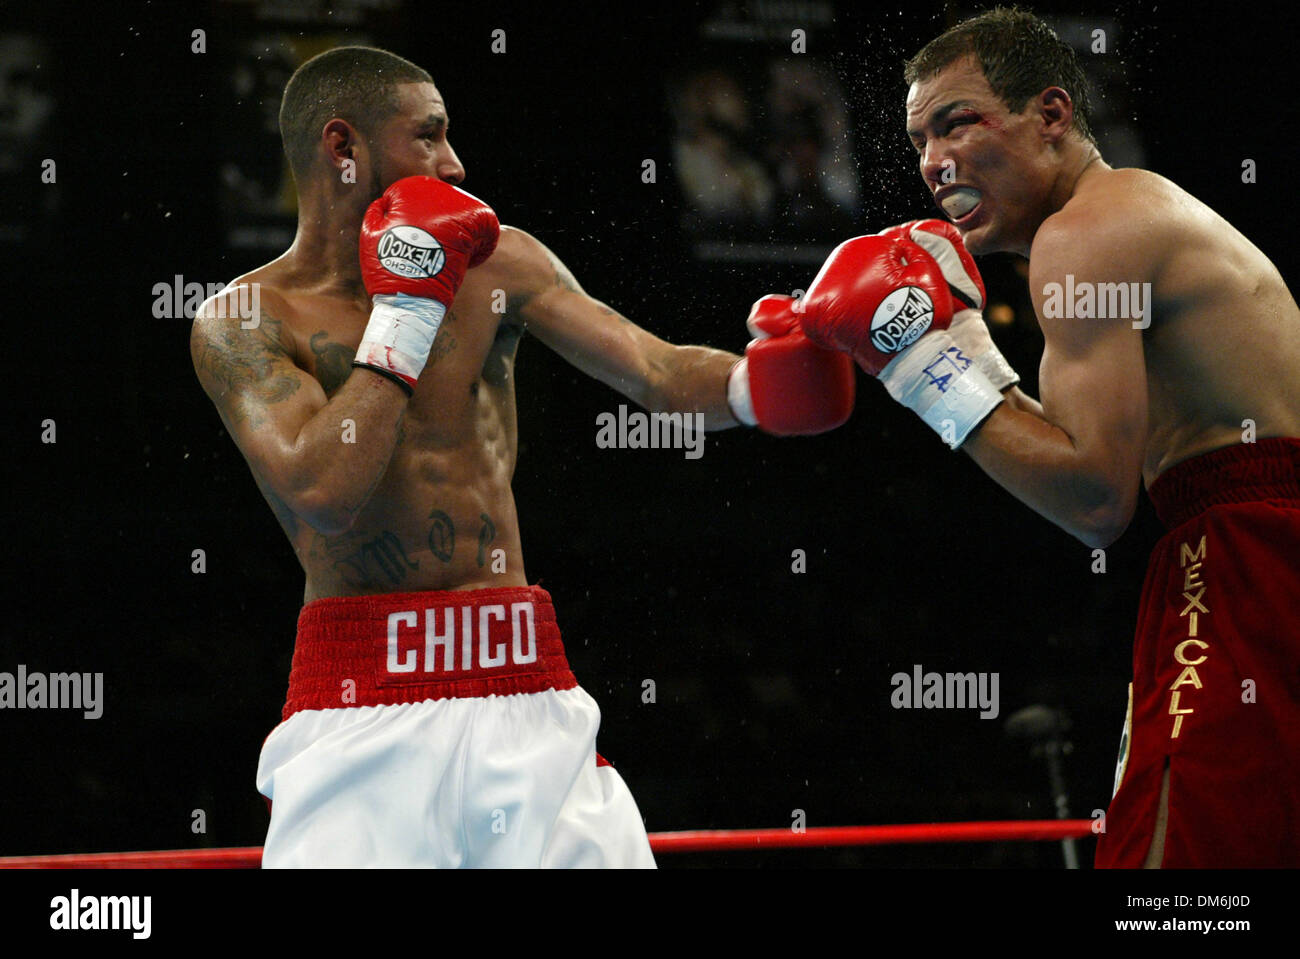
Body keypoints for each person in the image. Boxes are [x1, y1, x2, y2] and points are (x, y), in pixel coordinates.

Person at [189, 45, 852, 868]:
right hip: (359, 691)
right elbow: (324, 488)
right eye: (428, 136)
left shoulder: (497, 262)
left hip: (521, 676)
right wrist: (406, 308)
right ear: (342, 147)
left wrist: (764, 383)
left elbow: (656, 370)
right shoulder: (244, 319)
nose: (454, 163)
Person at [794, 8, 1300, 867]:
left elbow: (1096, 499)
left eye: (957, 121)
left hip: (1250, 553)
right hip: (1257, 541)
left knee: (1176, 877)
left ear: (1053, 116)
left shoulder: (1087, 235)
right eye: (918, 138)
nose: (934, 161)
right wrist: (961, 357)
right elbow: (1082, 458)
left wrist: (921, 363)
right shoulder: (1125, 219)